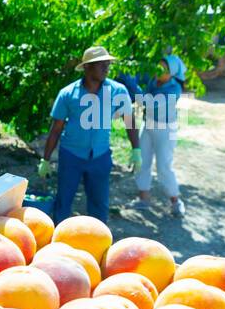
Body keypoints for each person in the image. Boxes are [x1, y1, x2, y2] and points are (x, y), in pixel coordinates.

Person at [37, 45, 138, 224]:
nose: (106, 68)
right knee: (63, 202)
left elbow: (129, 121)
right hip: (71, 156)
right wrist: (45, 160)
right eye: (101, 64)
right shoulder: (68, 94)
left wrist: (136, 150)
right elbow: (56, 129)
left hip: (100, 156)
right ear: (87, 67)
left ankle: (98, 245)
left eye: (107, 64)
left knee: (99, 205)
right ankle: (57, 244)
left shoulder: (117, 91)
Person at [119, 54, 187, 218]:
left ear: (172, 73)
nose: (159, 70)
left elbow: (148, 102)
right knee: (142, 161)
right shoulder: (153, 80)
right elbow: (138, 74)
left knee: (164, 166)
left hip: (165, 130)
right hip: (148, 124)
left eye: (164, 68)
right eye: (158, 66)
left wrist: (129, 82)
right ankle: (144, 199)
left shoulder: (174, 89)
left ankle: (175, 201)